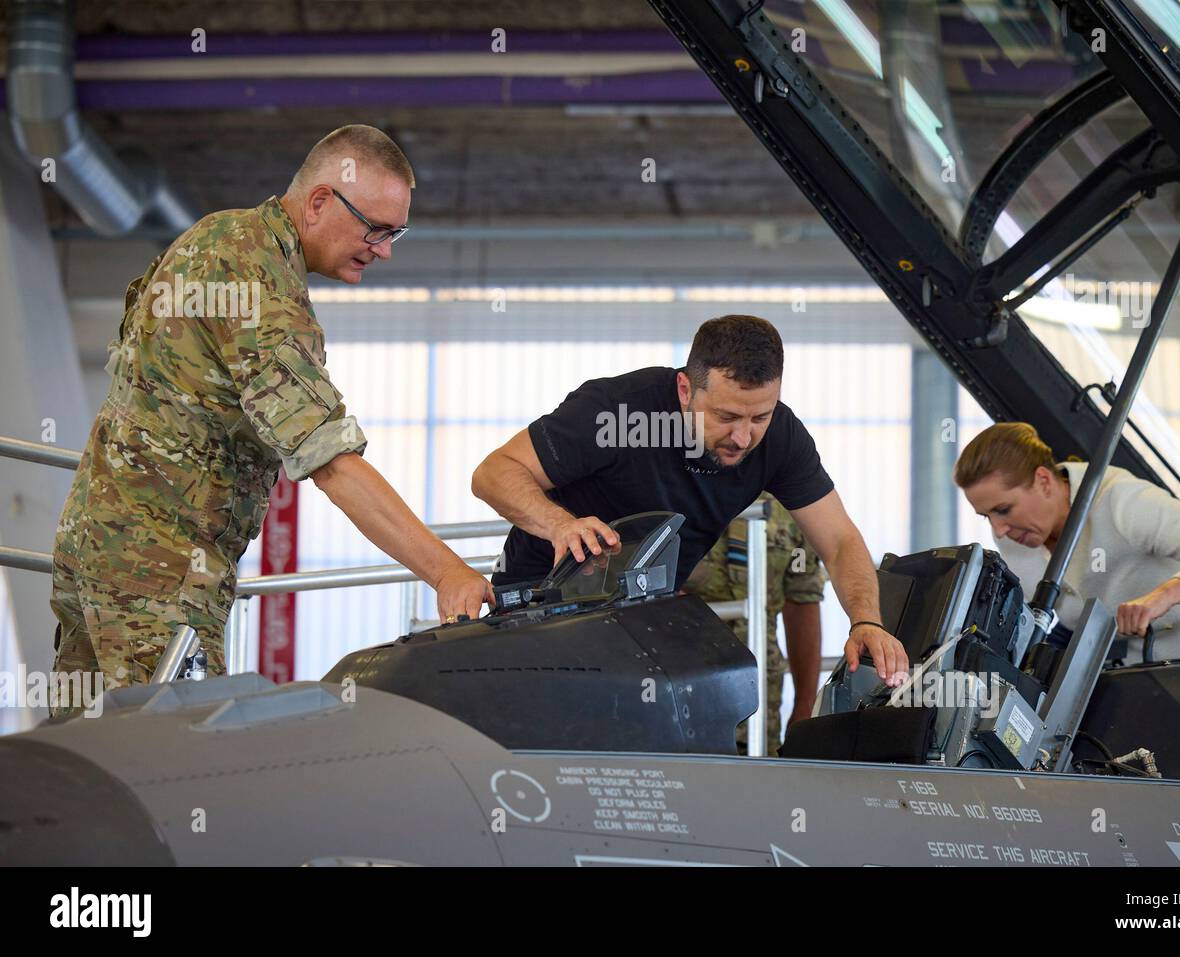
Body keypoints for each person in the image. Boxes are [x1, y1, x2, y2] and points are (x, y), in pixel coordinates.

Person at [50, 125, 491, 709]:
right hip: (154, 571)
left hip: (95, 545)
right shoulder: (258, 285)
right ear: (319, 202)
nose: (385, 249)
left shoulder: (218, 236)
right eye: (377, 229)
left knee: (78, 770)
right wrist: (446, 572)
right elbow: (328, 458)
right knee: (171, 770)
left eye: (396, 233)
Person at [471, 314, 907, 688]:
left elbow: (839, 539)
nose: (743, 437)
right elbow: (493, 473)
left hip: (637, 624)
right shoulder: (616, 411)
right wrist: (560, 525)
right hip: (537, 610)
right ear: (684, 390)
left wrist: (866, 619)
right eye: (726, 417)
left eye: (760, 417)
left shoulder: (782, 438)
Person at [954, 422, 1180, 660]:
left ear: (1043, 481)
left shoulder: (1122, 502)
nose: (998, 531)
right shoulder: (1016, 538)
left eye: (1004, 510)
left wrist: (1162, 597)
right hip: (1130, 662)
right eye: (987, 516)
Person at [683, 493, 827, 755]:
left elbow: (802, 602)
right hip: (685, 705)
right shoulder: (676, 491)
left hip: (760, 710)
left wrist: (805, 705)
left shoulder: (789, 501)